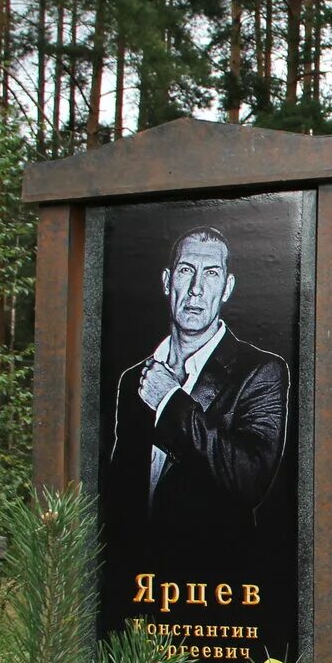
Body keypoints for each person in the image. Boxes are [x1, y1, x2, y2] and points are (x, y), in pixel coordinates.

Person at [105, 225, 289, 571]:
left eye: (211, 273)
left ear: (227, 288)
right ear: (166, 281)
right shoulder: (135, 380)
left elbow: (248, 479)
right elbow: (120, 493)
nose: (196, 289)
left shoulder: (261, 371)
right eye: (186, 270)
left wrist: (170, 401)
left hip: (218, 586)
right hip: (137, 587)